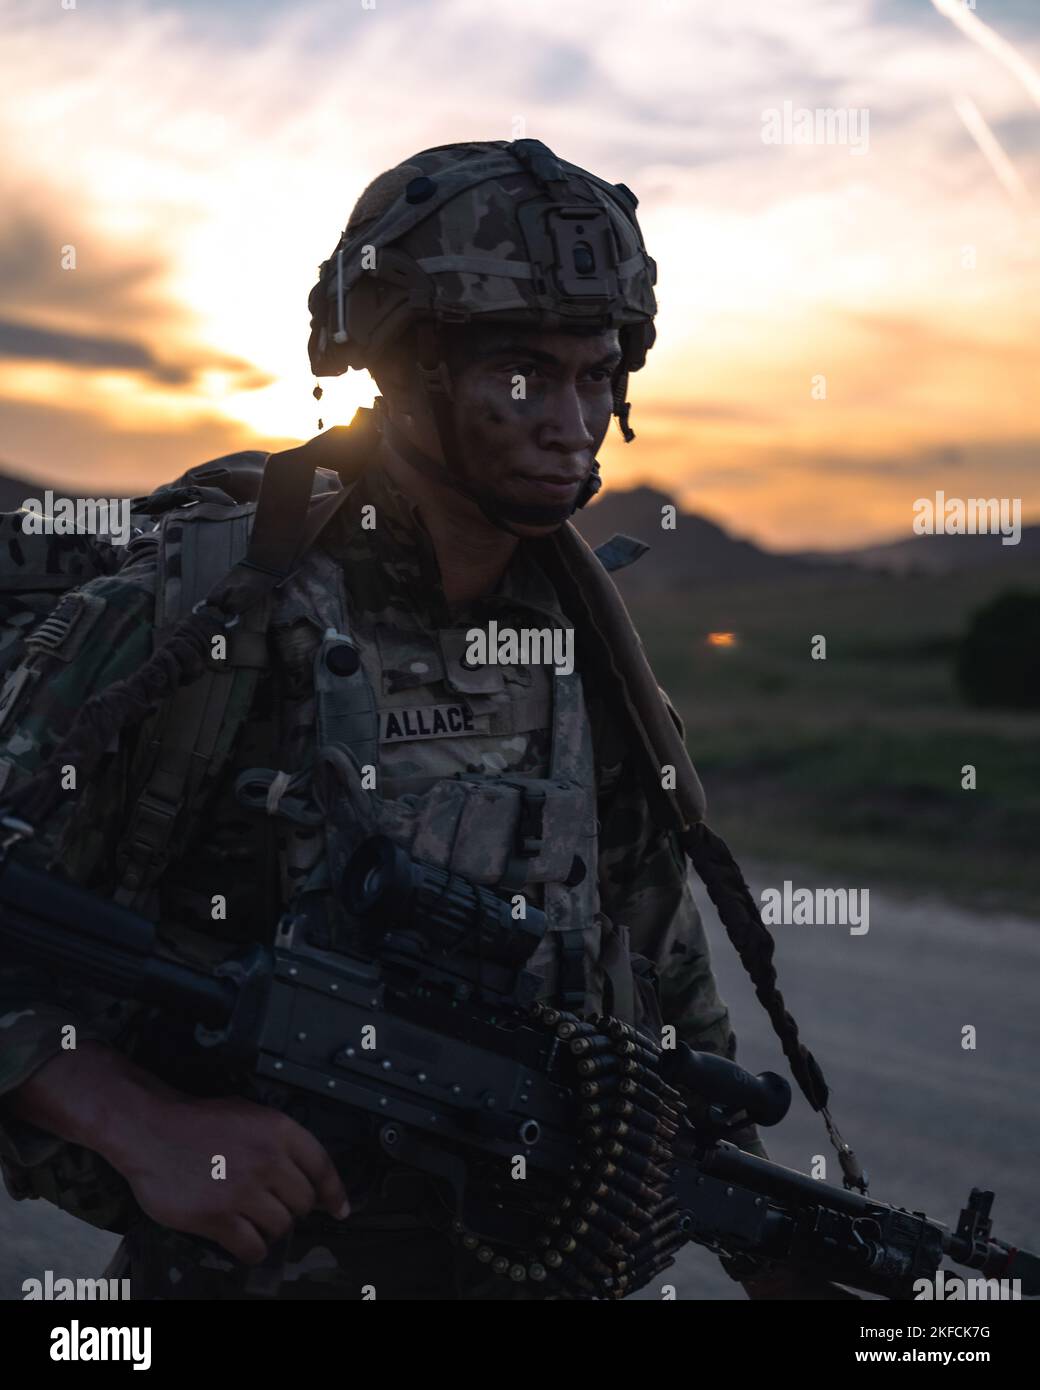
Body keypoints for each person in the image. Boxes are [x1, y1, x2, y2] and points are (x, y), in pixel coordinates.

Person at [0, 139, 793, 1300]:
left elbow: (659, 974)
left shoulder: (582, 641)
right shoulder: (210, 614)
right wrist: (140, 1123)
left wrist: (761, 1222)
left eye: (597, 372)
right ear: (405, 368)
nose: (570, 420)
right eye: (523, 373)